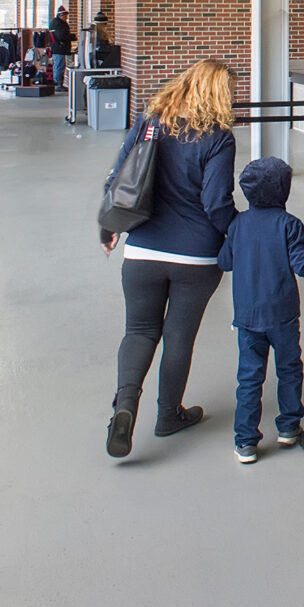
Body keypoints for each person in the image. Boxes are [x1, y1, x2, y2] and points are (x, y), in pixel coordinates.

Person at [101, 58, 239, 458]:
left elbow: (117, 180)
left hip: (143, 249)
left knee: (139, 331)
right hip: (196, 257)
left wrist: (108, 227)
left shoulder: (150, 123)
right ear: (218, 95)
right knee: (179, 336)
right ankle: (168, 414)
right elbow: (215, 203)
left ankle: (125, 407)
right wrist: (239, 230)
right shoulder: (218, 138)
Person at [218, 157, 304, 463]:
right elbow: (301, 264)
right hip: (282, 313)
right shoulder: (290, 224)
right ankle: (289, 425)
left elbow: (224, 262)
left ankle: (245, 441)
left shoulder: (238, 224)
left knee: (249, 377)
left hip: (246, 316)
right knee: (289, 368)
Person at [48, 10, 74, 90]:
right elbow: (61, 36)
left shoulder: (56, 23)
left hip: (58, 48)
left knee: (59, 66)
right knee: (59, 66)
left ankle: (58, 83)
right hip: (59, 48)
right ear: (60, 15)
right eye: (65, 16)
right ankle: (58, 84)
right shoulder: (58, 24)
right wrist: (72, 37)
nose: (66, 18)